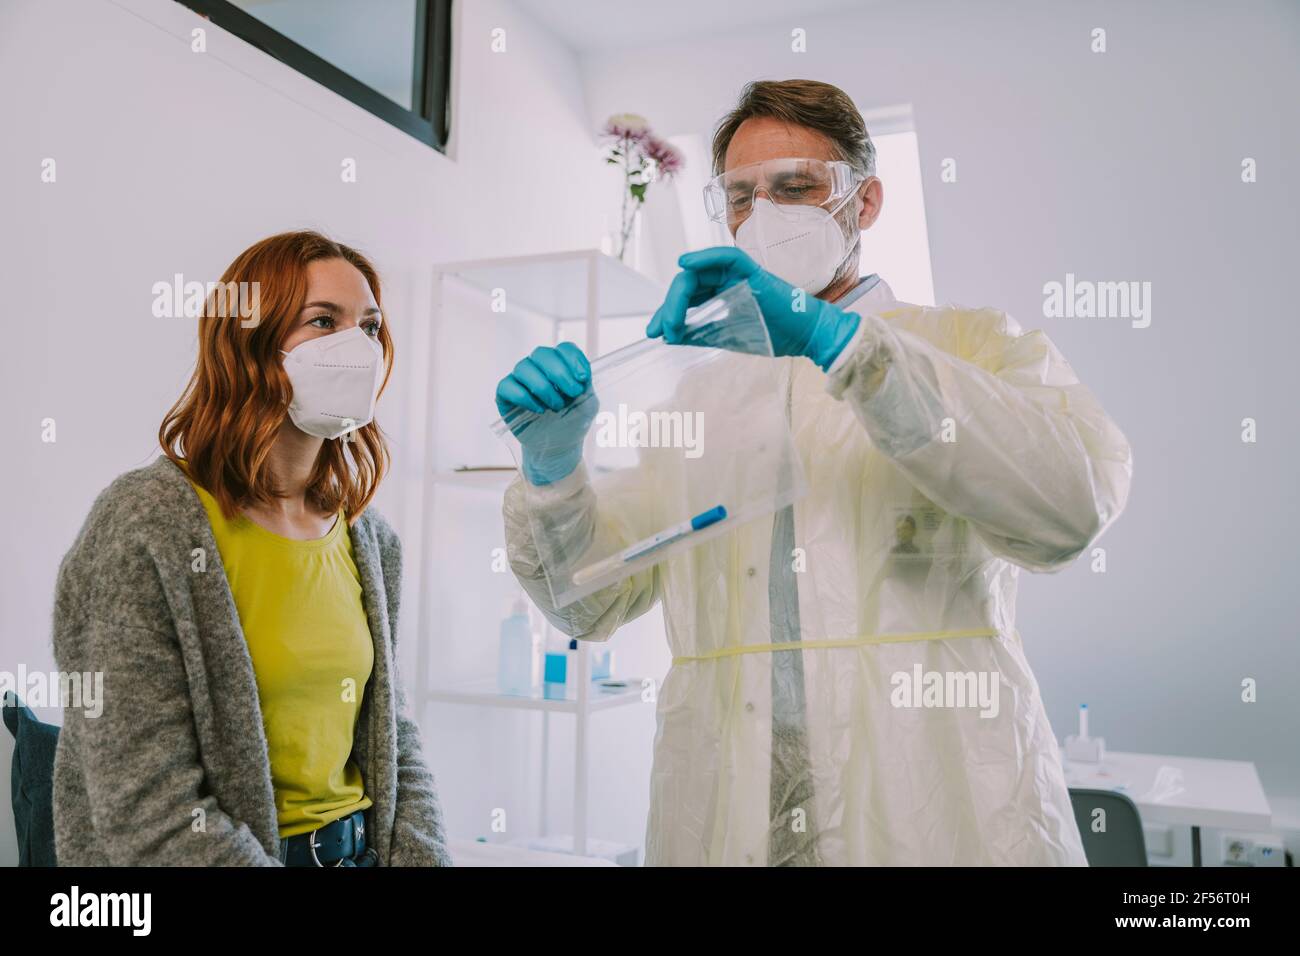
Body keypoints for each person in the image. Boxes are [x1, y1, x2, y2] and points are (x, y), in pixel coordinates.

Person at [497, 79, 1132, 865]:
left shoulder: (971, 349)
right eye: (739, 196)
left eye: (795, 188)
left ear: (864, 203)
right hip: (728, 820)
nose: (763, 216)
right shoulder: (698, 399)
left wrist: (846, 346)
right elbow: (589, 602)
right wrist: (554, 472)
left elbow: (1071, 507)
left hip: (937, 813)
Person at [52, 231, 453, 866]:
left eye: (370, 327)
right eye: (323, 321)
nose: (359, 348)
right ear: (249, 343)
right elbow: (147, 807)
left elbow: (393, 738)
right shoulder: (146, 524)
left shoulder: (370, 539)